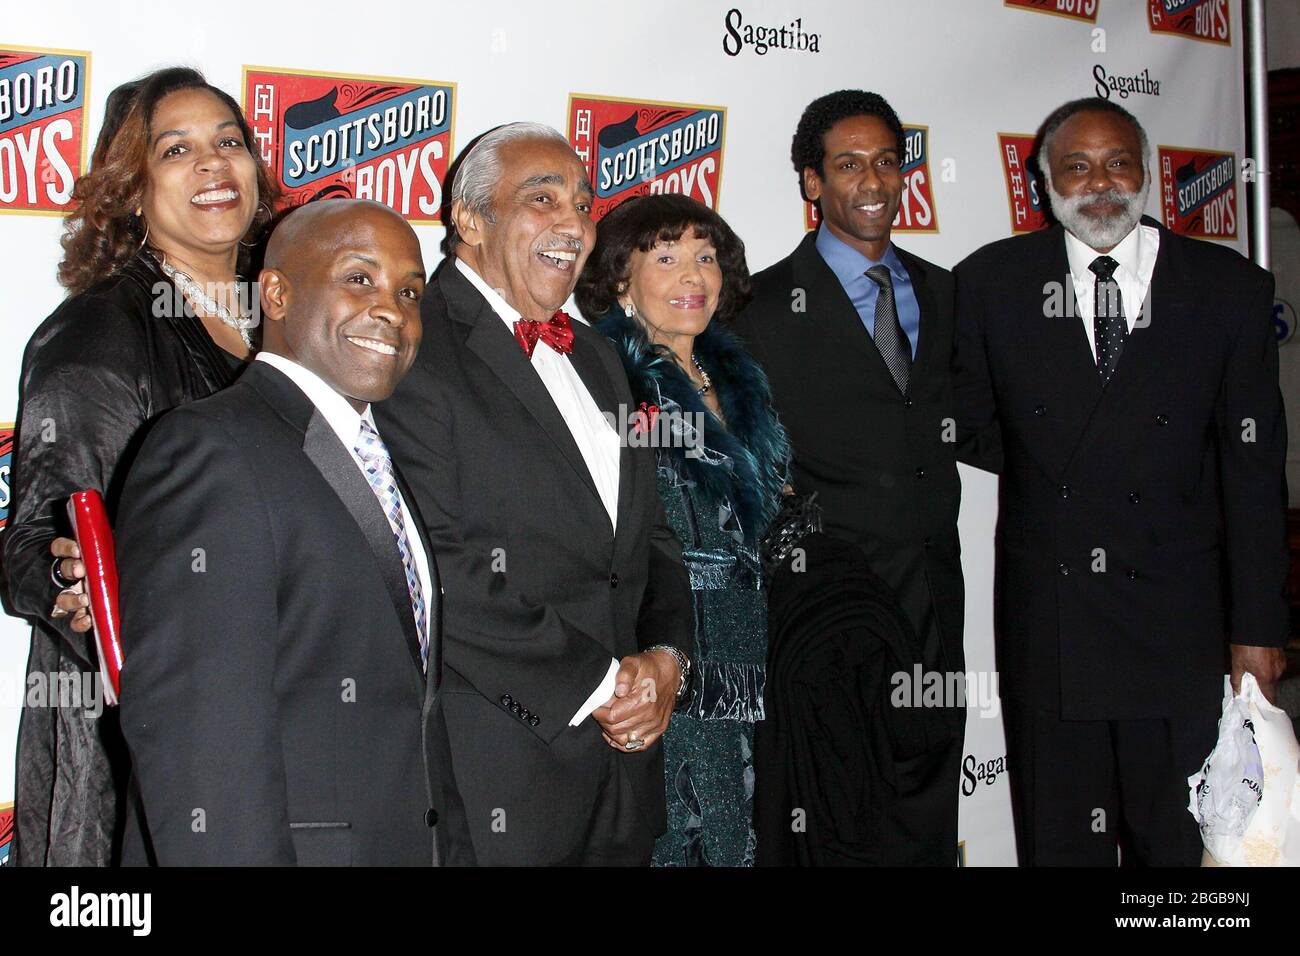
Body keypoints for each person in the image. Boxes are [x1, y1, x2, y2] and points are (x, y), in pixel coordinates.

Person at [952, 97, 1289, 865]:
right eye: (1076, 166)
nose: (1098, 183)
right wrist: (1063, 459)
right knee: (1060, 845)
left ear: (1147, 175)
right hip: (1053, 625)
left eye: (1117, 163)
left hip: (1181, 628)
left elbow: (1254, 470)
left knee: (1180, 846)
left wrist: (1260, 629)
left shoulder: (1225, 287)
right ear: (1044, 182)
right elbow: (966, 419)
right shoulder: (993, 282)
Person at [113, 199, 473, 866]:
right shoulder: (210, 450)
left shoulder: (378, 455)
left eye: (409, 291)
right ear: (275, 292)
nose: (392, 310)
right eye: (358, 279)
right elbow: (201, 744)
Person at [373, 123, 693, 866]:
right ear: (470, 219)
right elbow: (433, 565)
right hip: (497, 779)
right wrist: (598, 685)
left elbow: (650, 539)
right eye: (540, 199)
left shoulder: (602, 357)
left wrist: (667, 657)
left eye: (582, 204)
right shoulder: (409, 346)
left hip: (626, 778)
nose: (573, 225)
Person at [1, 67, 278, 866]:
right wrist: (75, 587)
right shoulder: (98, 330)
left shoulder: (293, 316)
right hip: (145, 731)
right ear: (131, 189)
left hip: (286, 694)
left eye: (229, 142)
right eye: (176, 150)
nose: (213, 165)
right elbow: (35, 547)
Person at [730, 90, 966, 864]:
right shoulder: (756, 310)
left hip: (938, 605)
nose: (874, 181)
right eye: (849, 164)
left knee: (930, 810)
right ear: (811, 182)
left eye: (889, 162)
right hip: (830, 612)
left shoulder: (944, 293)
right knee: (838, 816)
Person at [576, 194, 790, 866]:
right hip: (665, 657)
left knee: (737, 834)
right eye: (665, 258)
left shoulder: (735, 376)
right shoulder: (604, 380)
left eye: (705, 257)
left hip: (750, 658)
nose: (692, 276)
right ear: (619, 279)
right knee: (679, 838)